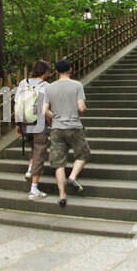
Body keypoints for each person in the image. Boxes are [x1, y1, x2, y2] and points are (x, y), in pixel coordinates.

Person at [39, 55, 87, 204]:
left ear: (56, 71)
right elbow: (81, 108)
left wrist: (56, 116)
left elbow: (44, 111)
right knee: (83, 153)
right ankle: (72, 177)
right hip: (74, 127)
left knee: (58, 163)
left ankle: (62, 196)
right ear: (70, 70)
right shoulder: (77, 85)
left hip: (57, 128)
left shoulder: (50, 87)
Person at [12, 59, 51, 199]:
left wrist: (17, 123)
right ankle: (34, 189)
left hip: (24, 121)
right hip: (39, 122)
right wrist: (51, 122)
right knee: (39, 152)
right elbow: (45, 108)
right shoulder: (46, 86)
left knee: (33, 148)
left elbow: (16, 103)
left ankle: (29, 170)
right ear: (45, 72)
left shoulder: (23, 83)